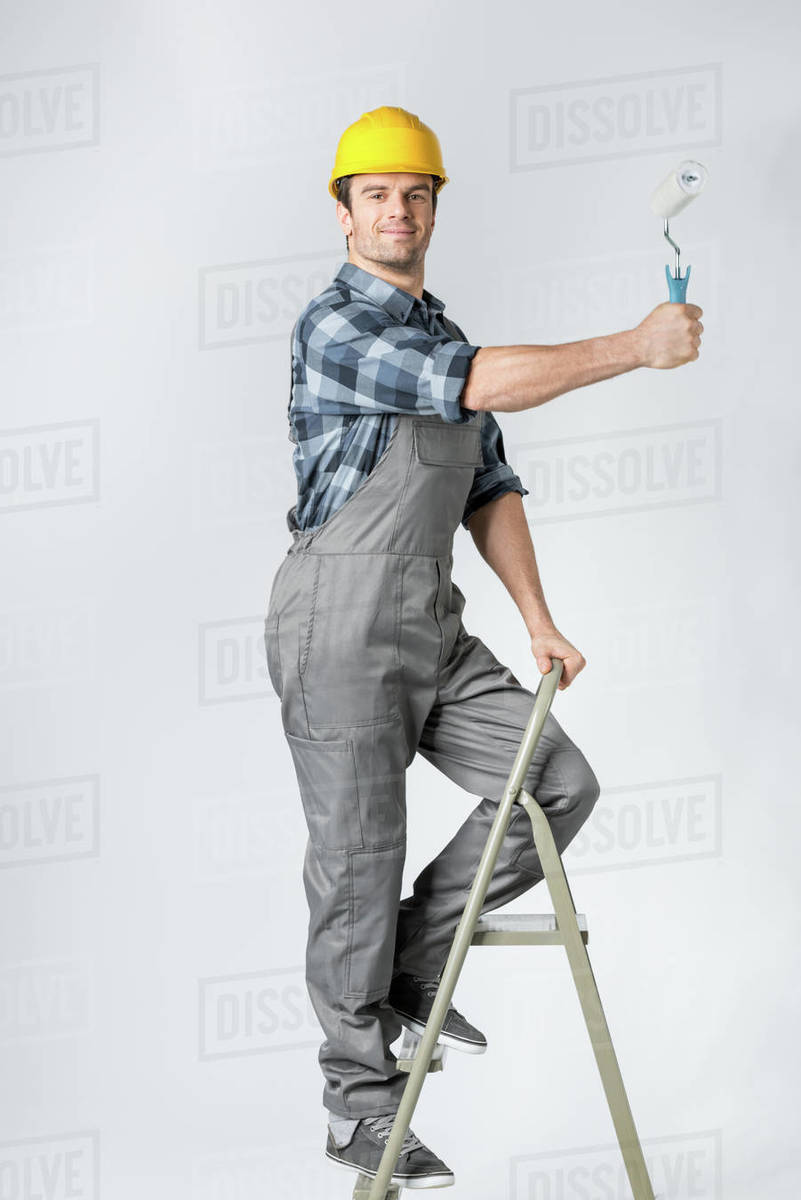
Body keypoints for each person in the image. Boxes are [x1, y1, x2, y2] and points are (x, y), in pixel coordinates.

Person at [263, 105, 703, 1190]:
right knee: (356, 863)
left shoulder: (444, 329)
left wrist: (538, 619)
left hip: (432, 622)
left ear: (434, 206)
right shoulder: (335, 326)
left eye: (416, 193)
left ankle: (414, 961)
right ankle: (357, 1106)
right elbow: (475, 388)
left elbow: (490, 484)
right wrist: (633, 349)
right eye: (376, 193)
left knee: (553, 779)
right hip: (338, 619)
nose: (398, 210)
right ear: (343, 210)